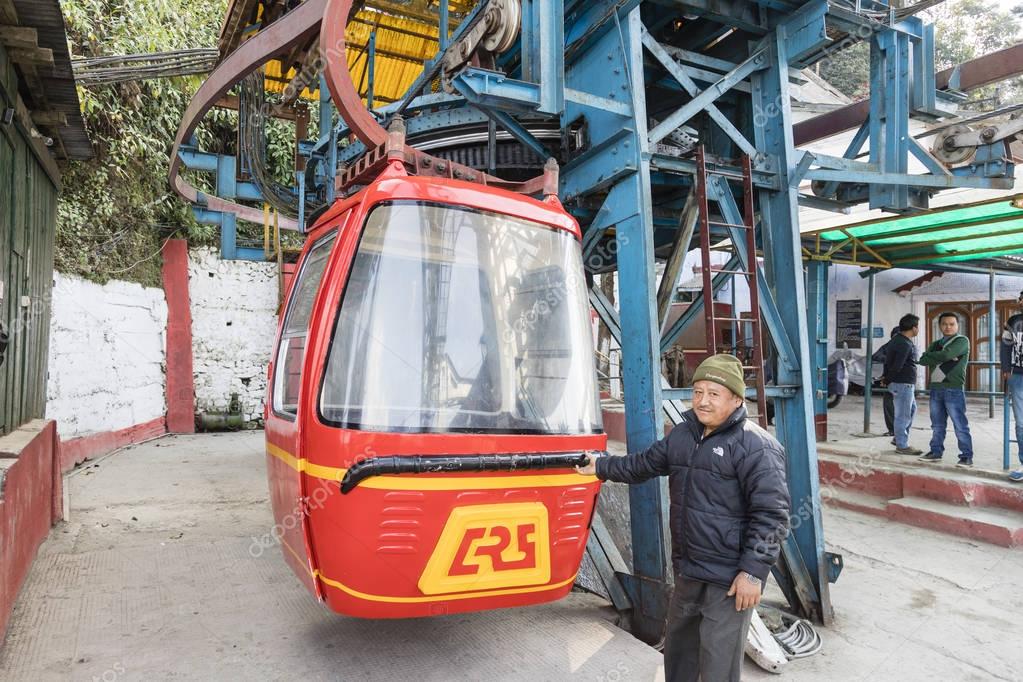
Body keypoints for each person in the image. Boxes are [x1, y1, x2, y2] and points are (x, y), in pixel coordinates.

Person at [576, 354, 790, 682]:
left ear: (736, 399)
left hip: (729, 579)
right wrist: (600, 466)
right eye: (698, 391)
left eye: (714, 394)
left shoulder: (757, 447)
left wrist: (752, 572)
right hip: (689, 569)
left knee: (718, 662)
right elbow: (642, 465)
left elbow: (772, 516)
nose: (703, 401)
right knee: (679, 653)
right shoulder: (682, 436)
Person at [917, 312, 973, 467]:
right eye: (944, 324)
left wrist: (939, 356)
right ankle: (935, 452)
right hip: (935, 388)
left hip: (953, 389)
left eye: (951, 324)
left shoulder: (962, 341)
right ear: (940, 325)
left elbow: (946, 353)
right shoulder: (936, 343)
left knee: (960, 424)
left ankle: (966, 456)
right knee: (937, 424)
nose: (948, 327)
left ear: (957, 325)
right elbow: (923, 360)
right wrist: (942, 356)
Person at [884, 314, 921, 455]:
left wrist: (887, 378)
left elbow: (889, 362)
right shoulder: (904, 343)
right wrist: (888, 379)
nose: (918, 329)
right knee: (903, 415)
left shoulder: (897, 340)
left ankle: (898, 438)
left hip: (902, 383)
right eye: (917, 326)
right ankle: (902, 445)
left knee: (911, 410)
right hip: (903, 383)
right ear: (913, 328)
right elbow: (897, 365)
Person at [1001, 291, 1023, 483]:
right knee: (1022, 422)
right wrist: (1006, 370)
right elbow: (1005, 347)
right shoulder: (1014, 321)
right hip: (1018, 377)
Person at [873, 327, 900, 438]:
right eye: (895, 336)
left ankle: (902, 431)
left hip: (904, 380)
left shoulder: (908, 345)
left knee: (905, 407)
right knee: (889, 405)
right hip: (889, 379)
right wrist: (890, 358)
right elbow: (875, 356)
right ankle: (892, 430)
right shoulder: (888, 346)